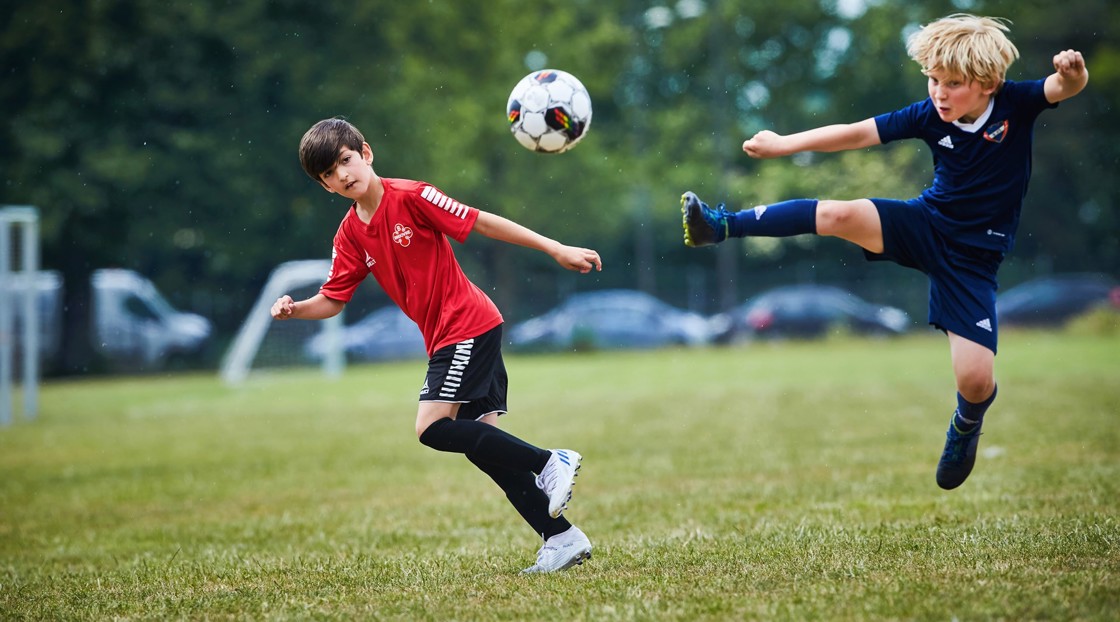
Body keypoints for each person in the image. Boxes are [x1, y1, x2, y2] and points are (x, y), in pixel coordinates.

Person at [679, 14, 1088, 490]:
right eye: (933, 80)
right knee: (839, 214)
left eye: (952, 84)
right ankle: (720, 226)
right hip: (925, 224)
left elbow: (1063, 86)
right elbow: (857, 133)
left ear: (987, 83)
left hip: (973, 260)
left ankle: (966, 425)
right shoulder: (927, 115)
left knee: (975, 381)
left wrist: (1073, 73)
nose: (939, 93)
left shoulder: (1016, 102)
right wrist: (785, 144)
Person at [272, 117, 603, 572]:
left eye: (346, 161)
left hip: (466, 325)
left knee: (431, 428)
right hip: (454, 333)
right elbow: (332, 299)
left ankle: (550, 460)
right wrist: (296, 309)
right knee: (484, 449)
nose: (342, 175)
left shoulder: (412, 196)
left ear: (365, 153)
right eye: (329, 173)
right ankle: (561, 537)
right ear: (325, 185)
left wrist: (554, 248)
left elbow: (481, 222)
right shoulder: (349, 234)